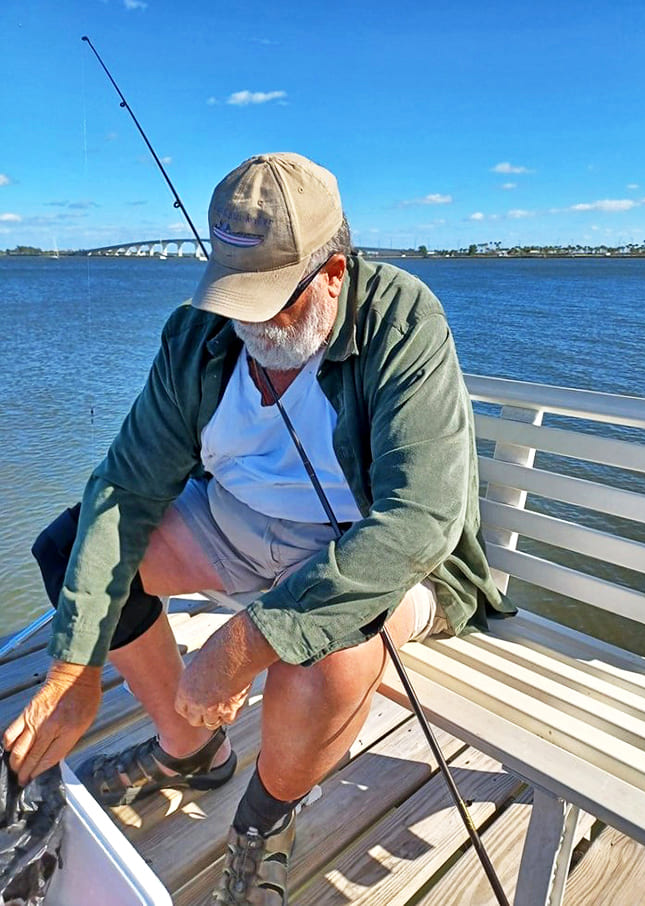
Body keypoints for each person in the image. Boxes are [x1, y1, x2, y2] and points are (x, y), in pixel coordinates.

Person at [3, 152, 514, 904]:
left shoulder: (407, 320)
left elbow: (420, 520)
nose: (248, 322)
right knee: (71, 544)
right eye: (235, 295)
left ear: (334, 272)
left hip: (380, 553)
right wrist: (76, 666)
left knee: (336, 649)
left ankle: (264, 821)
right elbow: (125, 490)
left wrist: (244, 641)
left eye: (272, 300)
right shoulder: (196, 335)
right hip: (237, 523)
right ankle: (189, 749)